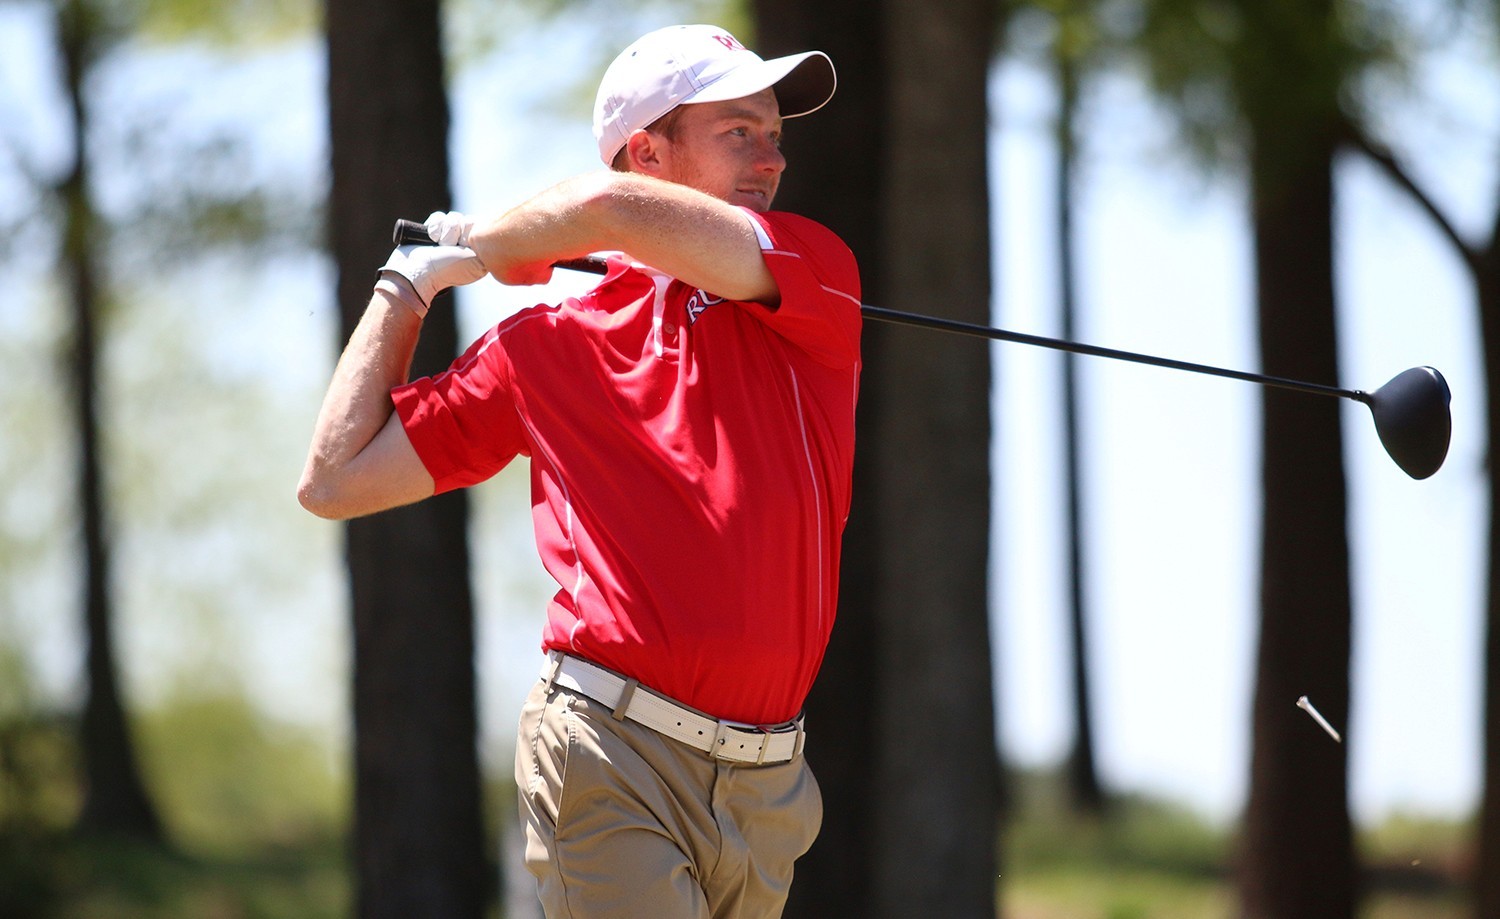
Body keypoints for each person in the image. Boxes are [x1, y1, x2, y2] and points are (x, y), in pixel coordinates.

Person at [298, 23, 860, 919]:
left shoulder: (812, 273)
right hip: (610, 753)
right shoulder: (543, 347)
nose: (773, 158)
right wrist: (408, 283)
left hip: (769, 788)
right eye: (738, 132)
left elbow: (607, 208)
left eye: (774, 134)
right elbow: (335, 478)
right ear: (650, 152)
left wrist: (496, 242)